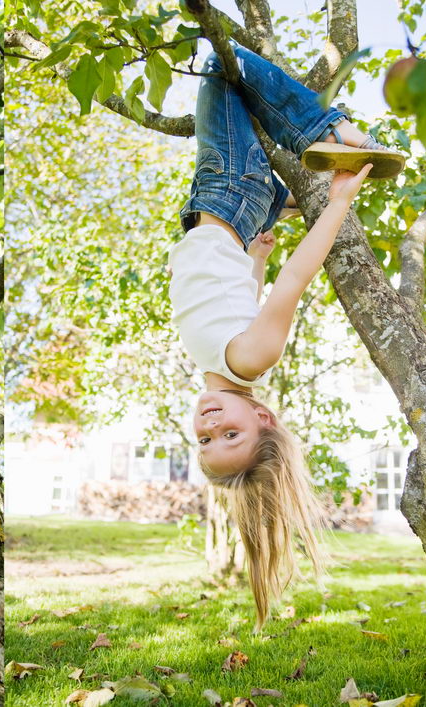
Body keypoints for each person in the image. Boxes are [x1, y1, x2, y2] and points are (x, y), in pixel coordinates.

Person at [169, 41, 404, 631]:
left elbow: (231, 301)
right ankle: (336, 129)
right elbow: (300, 278)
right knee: (225, 64)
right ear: (263, 420)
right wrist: (338, 201)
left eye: (205, 441)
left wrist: (255, 259)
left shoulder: (224, 366)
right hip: (230, 194)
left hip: (240, 215)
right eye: (229, 433)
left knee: (236, 84)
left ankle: (306, 142)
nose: (207, 425)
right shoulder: (254, 358)